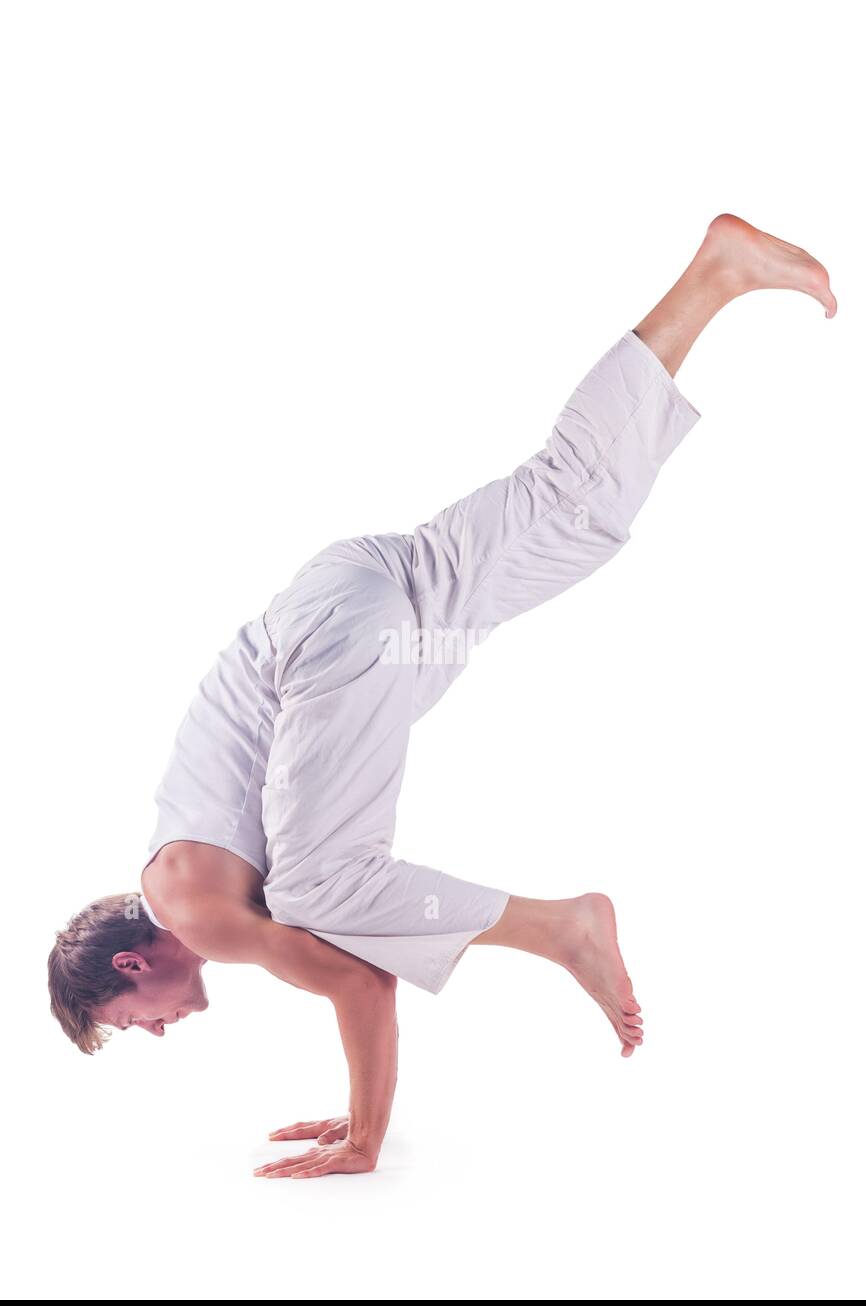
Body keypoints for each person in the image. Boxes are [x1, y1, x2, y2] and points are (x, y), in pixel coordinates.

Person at [47, 213, 836, 1179]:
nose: (158, 1032)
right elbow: (359, 966)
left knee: (318, 889)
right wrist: (352, 1111)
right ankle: (717, 274)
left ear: (128, 966)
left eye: (130, 1026)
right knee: (570, 509)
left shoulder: (194, 913)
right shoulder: (187, 866)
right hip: (356, 603)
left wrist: (364, 1138)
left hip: (337, 645)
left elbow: (360, 982)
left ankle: (562, 927)